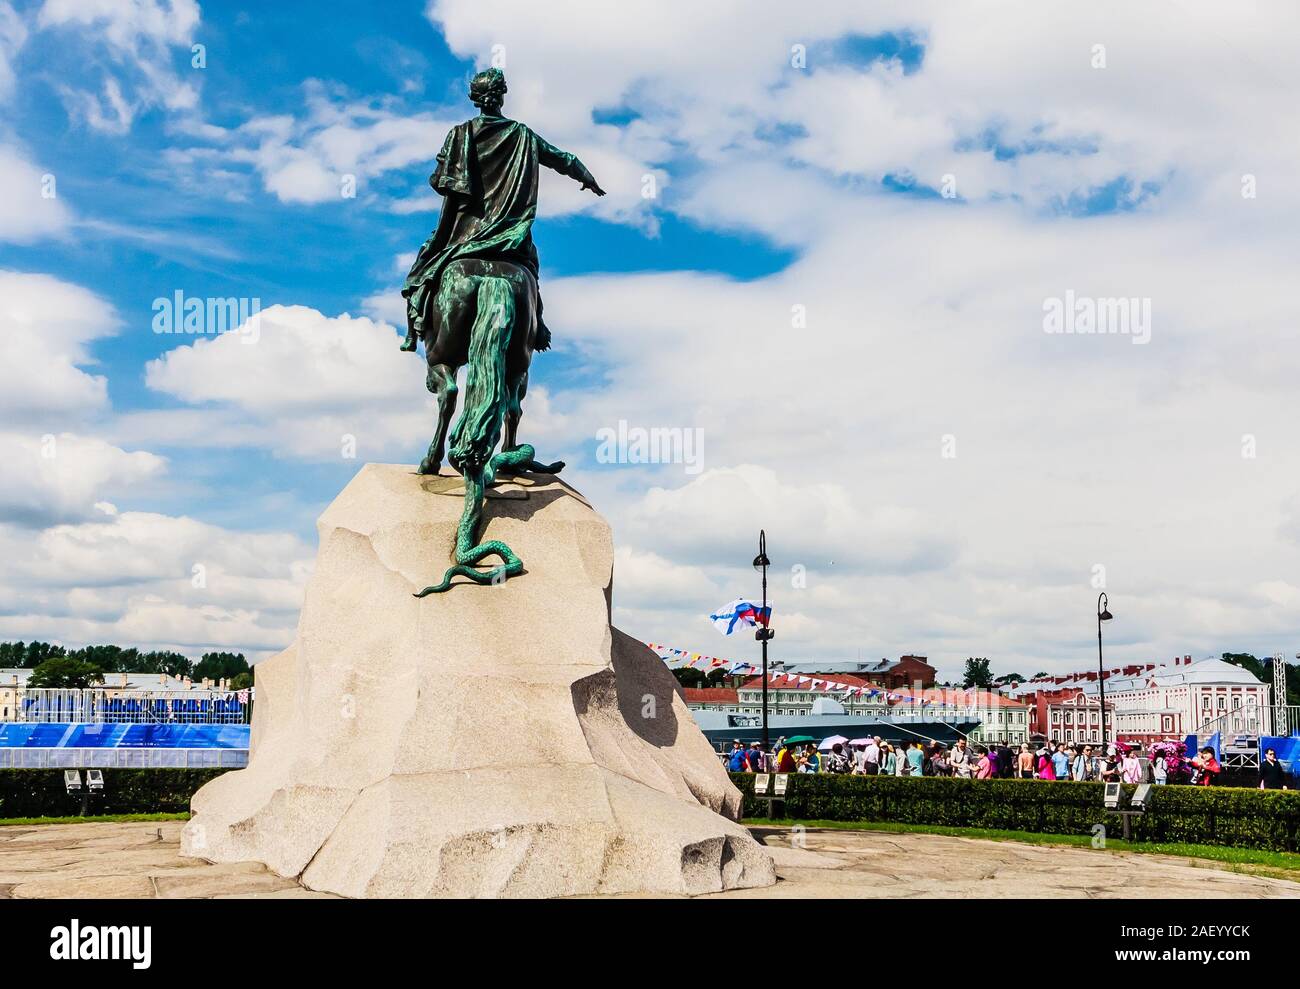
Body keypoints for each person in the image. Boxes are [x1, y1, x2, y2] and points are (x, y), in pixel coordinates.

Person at [400, 68, 605, 353]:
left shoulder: (460, 134)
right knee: (530, 269)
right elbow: (564, 159)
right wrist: (587, 178)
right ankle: (539, 324)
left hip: (463, 237)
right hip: (509, 236)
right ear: (502, 97)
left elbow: (439, 181)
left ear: (475, 98)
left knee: (422, 266)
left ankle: (414, 330)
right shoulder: (522, 135)